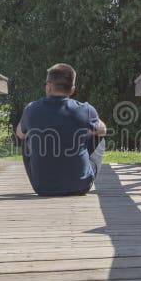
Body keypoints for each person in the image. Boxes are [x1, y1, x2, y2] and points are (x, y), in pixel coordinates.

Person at [16, 63, 107, 196]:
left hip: (42, 188)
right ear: (72, 90)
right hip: (80, 186)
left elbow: (19, 134)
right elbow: (103, 130)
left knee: (26, 136)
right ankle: (80, 173)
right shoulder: (86, 110)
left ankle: (45, 176)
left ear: (48, 87)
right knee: (99, 136)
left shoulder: (31, 109)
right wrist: (84, 132)